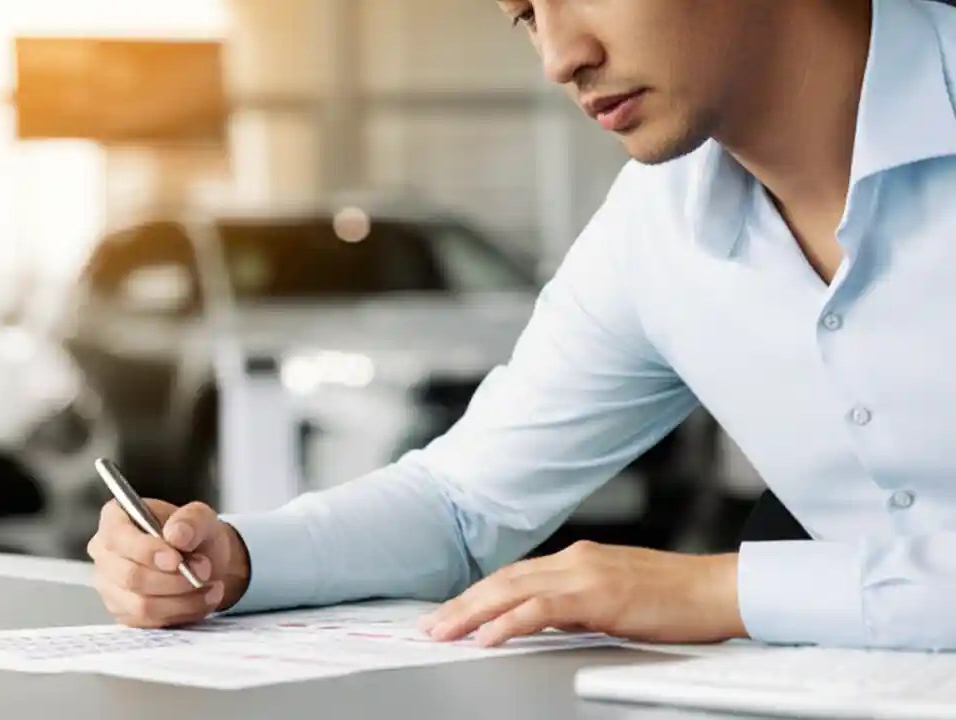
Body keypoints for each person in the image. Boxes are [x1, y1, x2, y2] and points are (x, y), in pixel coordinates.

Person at [88, 0, 956, 651]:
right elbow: (462, 504)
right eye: (526, 16)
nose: (559, 57)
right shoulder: (654, 228)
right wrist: (235, 559)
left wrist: (717, 593)